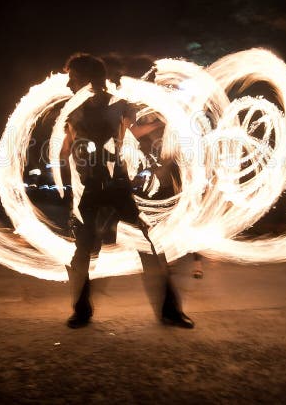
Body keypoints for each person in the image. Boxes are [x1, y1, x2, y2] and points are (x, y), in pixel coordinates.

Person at [59, 53, 194, 329]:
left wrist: (166, 121)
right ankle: (81, 311)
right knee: (84, 251)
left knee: (147, 247)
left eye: (73, 78)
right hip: (92, 190)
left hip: (118, 187)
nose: (69, 84)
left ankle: (170, 311)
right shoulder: (74, 112)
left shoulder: (119, 105)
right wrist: (76, 158)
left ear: (89, 79)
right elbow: (65, 149)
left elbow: (138, 130)